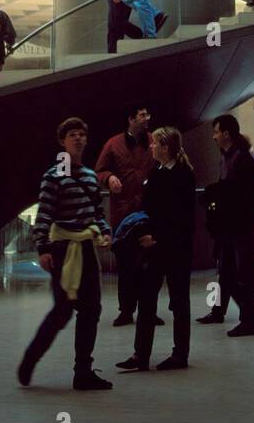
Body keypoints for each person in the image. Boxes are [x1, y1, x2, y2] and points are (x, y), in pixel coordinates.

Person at [18, 117, 113, 390]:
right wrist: (43, 248)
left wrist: (104, 230)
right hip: (62, 249)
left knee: (91, 310)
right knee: (62, 311)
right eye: (73, 135)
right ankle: (31, 358)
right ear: (62, 141)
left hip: (85, 247)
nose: (79, 139)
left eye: (82, 134)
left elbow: (96, 211)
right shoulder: (52, 176)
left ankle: (83, 371)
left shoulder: (89, 175)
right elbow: (44, 214)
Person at [117, 126, 195, 372]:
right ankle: (141, 355)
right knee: (147, 300)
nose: (151, 147)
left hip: (176, 248)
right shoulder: (158, 172)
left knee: (179, 301)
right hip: (157, 248)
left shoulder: (183, 175)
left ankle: (179, 354)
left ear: (166, 147)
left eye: (155, 144)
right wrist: (145, 235)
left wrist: (157, 237)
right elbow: (149, 210)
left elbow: (184, 217)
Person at [203, 114, 254, 335]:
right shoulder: (230, 156)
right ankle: (230, 312)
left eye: (216, 132)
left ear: (226, 134)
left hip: (240, 225)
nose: (213, 137)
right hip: (234, 225)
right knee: (231, 270)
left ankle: (250, 316)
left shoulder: (240, 158)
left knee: (242, 271)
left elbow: (241, 193)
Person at [95, 105, 156, 328]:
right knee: (126, 265)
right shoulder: (113, 144)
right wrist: (109, 177)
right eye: (142, 115)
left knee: (150, 265)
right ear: (130, 119)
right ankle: (126, 310)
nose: (147, 119)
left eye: (147, 115)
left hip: (148, 212)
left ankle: (148, 308)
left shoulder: (153, 141)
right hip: (123, 214)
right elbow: (99, 170)